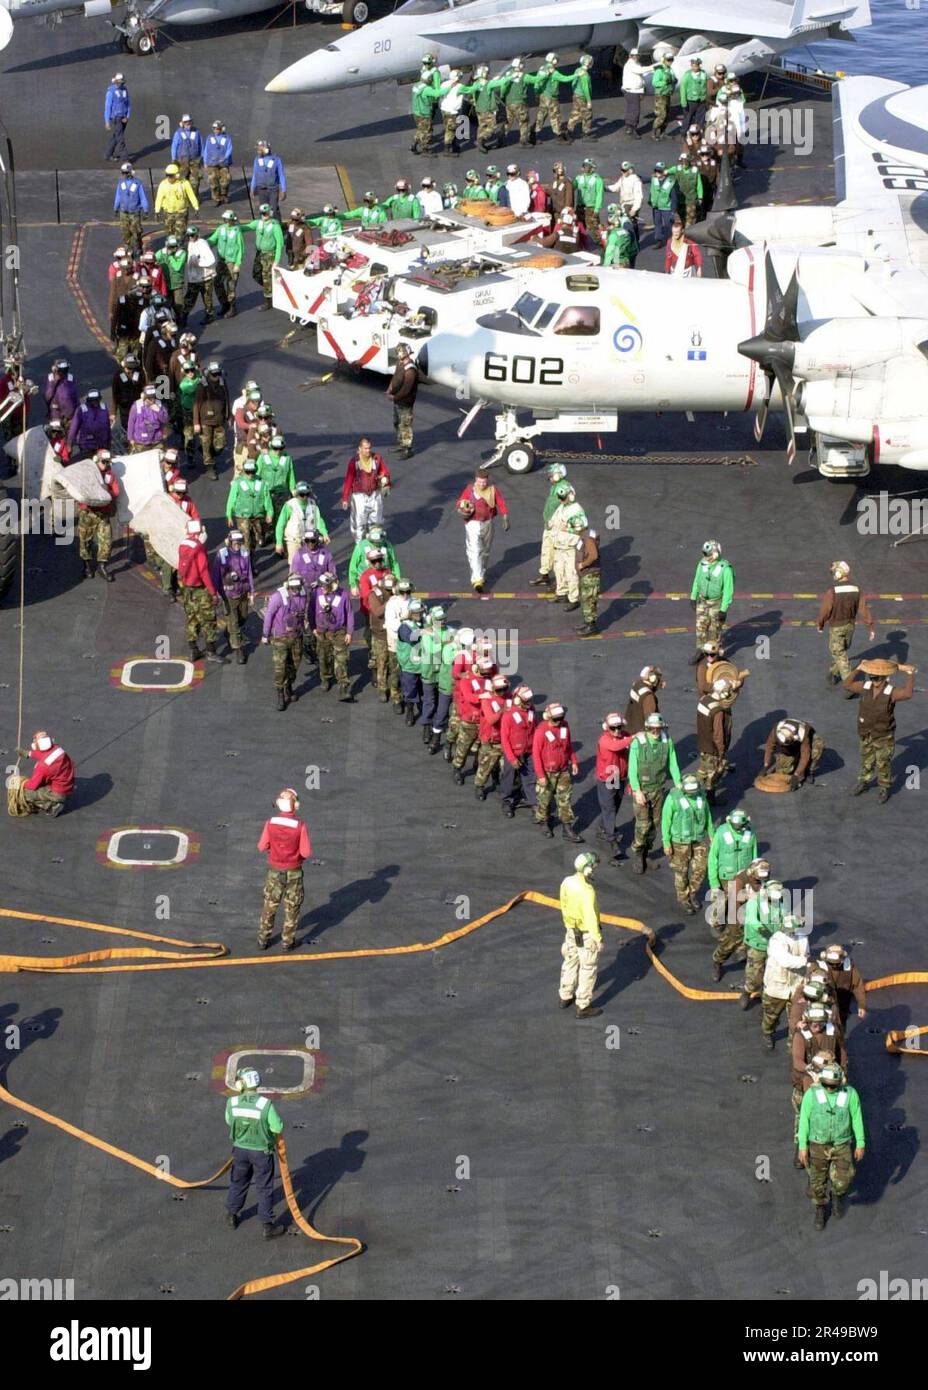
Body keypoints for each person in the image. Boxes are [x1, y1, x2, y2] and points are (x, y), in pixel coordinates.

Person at [797, 1062, 865, 1230]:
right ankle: (820, 1207)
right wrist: (802, 1147)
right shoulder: (811, 1095)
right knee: (817, 1181)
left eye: (832, 1086)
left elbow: (857, 1118)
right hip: (818, 1144)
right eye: (826, 1085)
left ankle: (837, 1195)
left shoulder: (850, 1094)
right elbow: (804, 1120)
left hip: (841, 1144)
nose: (829, 1089)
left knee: (844, 1178)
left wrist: (860, 1143)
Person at [224, 1065, 285, 1237]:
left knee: (238, 1182)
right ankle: (267, 1225)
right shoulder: (265, 1104)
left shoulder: (232, 1102)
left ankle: (232, 1214)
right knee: (264, 1188)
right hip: (261, 1154)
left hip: (240, 1151)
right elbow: (277, 1126)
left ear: (241, 1084)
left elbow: (229, 1121)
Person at [844, 660, 916, 802]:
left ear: (884, 678)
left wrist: (910, 674)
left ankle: (884, 788)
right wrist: (858, 668)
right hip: (866, 732)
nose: (874, 680)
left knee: (883, 762)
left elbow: (907, 694)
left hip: (883, 735)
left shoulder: (891, 692)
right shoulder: (865, 686)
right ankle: (863, 782)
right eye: (872, 677)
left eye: (877, 678)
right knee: (866, 759)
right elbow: (847, 684)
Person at [257, 787, 310, 952]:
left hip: (274, 872)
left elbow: (261, 846)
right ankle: (287, 942)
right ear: (295, 805)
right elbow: (306, 852)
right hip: (294, 873)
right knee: (292, 908)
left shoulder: (270, 823)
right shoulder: (300, 826)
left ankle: (263, 940)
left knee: (270, 906)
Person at [628, 712, 681, 873]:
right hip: (643, 790)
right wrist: (637, 791)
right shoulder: (639, 742)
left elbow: (673, 763)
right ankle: (638, 853)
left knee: (655, 824)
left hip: (658, 789)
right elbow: (632, 768)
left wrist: (678, 782)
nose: (655, 732)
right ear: (647, 728)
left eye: (658, 729)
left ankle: (646, 853)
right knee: (643, 825)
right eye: (652, 729)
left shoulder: (667, 741)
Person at [558, 852, 604, 1018]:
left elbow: (563, 904)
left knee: (570, 962)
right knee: (588, 968)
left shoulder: (566, 882)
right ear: (586, 869)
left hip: (571, 931)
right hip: (586, 935)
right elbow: (591, 917)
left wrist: (569, 925)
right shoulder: (587, 891)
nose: (594, 871)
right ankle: (583, 1005)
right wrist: (598, 939)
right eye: (593, 868)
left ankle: (565, 995)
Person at [817, 561, 875, 689]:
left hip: (837, 627)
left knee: (838, 653)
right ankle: (833, 673)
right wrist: (870, 628)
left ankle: (850, 686)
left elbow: (825, 610)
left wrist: (820, 624)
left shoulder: (833, 591)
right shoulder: (857, 589)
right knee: (841, 651)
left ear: (839, 573)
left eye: (834, 572)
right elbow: (864, 609)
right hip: (850, 626)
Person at [177, 518, 226, 664]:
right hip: (200, 588)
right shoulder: (199, 547)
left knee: (192, 618)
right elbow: (204, 571)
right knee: (209, 619)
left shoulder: (182, 545)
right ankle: (210, 650)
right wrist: (212, 592)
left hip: (187, 588)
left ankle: (193, 649)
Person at [661, 772, 712, 911]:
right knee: (681, 872)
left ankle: (692, 892)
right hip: (679, 842)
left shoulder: (701, 796)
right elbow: (666, 821)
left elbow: (707, 816)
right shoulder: (673, 798)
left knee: (701, 869)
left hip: (698, 839)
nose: (692, 794)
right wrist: (666, 843)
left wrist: (711, 835)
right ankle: (683, 898)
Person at [532, 701, 582, 843]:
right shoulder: (541, 731)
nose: (559, 722)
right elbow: (536, 754)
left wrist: (574, 761)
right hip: (547, 772)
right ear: (548, 717)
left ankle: (567, 828)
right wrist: (541, 775)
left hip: (563, 771)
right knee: (545, 800)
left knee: (565, 800)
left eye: (561, 718)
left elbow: (568, 746)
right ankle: (544, 822)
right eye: (556, 719)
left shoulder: (564, 726)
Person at [761, 913, 811, 1051]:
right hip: (777, 986)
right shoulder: (776, 940)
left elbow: (806, 953)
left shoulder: (802, 937)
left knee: (796, 1017)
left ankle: (793, 1043)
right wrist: (805, 962)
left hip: (796, 985)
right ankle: (768, 1032)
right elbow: (785, 960)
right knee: (771, 1015)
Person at [457, 467, 509, 593]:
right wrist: (463, 507)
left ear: (487, 480)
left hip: (488, 523)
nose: (482, 484)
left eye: (484, 482)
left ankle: (482, 573)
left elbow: (501, 502)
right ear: (476, 480)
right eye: (480, 481)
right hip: (473, 524)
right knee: (474, 551)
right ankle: (477, 580)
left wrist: (505, 516)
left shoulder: (492, 490)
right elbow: (459, 503)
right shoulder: (469, 490)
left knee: (485, 551)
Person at [707, 807, 756, 939]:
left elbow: (754, 859)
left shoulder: (750, 834)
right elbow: (712, 859)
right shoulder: (721, 833)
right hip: (725, 877)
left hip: (743, 878)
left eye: (741, 826)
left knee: (740, 905)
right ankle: (717, 924)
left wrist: (753, 881)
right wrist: (714, 884)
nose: (738, 829)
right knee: (721, 902)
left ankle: (738, 930)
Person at [263, 573, 309, 710]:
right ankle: (280, 694)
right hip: (280, 637)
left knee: (295, 664)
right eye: (293, 588)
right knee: (280, 667)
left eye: (298, 587)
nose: (296, 590)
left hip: (296, 635)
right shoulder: (278, 597)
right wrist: (265, 634)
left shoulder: (303, 593)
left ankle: (289, 685)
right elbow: (269, 615)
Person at [740, 878, 787, 1010]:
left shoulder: (781, 904)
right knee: (754, 972)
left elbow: (785, 918)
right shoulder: (754, 902)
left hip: (775, 946)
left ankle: (767, 995)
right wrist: (761, 929)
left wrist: (792, 923)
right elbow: (752, 919)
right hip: (758, 944)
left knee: (773, 973)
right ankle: (747, 991)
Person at [212, 530, 255, 665]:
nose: (238, 545)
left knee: (243, 617)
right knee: (234, 622)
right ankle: (238, 649)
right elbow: (216, 576)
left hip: (242, 593)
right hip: (228, 595)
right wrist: (215, 593)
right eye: (235, 543)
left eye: (240, 543)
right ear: (230, 542)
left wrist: (252, 592)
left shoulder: (245, 553)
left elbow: (249, 573)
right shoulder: (222, 555)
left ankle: (229, 631)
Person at [76, 450, 119, 582]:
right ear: (96, 460)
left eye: (107, 462)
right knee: (85, 540)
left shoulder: (110, 475)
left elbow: (116, 491)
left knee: (106, 540)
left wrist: (106, 492)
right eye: (103, 462)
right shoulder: (88, 473)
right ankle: (87, 565)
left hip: (102, 513)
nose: (105, 465)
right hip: (87, 512)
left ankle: (102, 566)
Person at [311, 571, 355, 701]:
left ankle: (343, 686)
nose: (323, 588)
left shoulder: (343, 595)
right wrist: (313, 627)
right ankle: (325, 678)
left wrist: (349, 632)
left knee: (341, 660)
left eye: (325, 586)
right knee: (323, 657)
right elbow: (311, 610)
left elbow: (350, 613)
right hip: (322, 631)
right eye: (322, 585)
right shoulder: (316, 593)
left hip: (339, 632)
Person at [596, 712, 633, 864]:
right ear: (607, 728)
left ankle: (604, 826)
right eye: (613, 728)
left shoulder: (624, 736)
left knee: (615, 805)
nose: (617, 731)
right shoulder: (605, 740)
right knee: (610, 808)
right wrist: (633, 737)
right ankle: (612, 842)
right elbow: (617, 746)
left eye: (619, 727)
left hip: (620, 775)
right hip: (609, 776)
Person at [341, 437, 392, 542]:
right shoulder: (354, 462)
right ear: (359, 449)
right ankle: (360, 546)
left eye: (369, 448)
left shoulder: (377, 458)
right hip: (359, 496)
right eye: (365, 448)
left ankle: (376, 542)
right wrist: (345, 498)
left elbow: (385, 471)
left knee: (377, 522)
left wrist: (386, 480)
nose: (368, 451)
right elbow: (348, 480)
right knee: (359, 523)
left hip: (374, 494)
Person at [690, 539, 734, 651]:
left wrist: (723, 609)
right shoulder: (702, 563)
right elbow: (697, 580)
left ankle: (714, 656)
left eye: (707, 554)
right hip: (702, 601)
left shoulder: (725, 568)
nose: (705, 556)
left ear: (715, 554)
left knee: (714, 632)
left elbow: (728, 590)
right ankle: (700, 651)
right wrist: (693, 597)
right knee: (700, 629)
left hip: (716, 604)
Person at [226, 459, 273, 565]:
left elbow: (267, 499)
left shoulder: (262, 483)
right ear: (244, 471)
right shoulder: (238, 483)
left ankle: (250, 557)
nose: (250, 474)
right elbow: (231, 499)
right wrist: (229, 514)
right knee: (245, 540)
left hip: (258, 515)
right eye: (248, 472)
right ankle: (247, 565)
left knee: (255, 540)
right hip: (243, 516)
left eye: (252, 472)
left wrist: (269, 513)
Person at [499, 685, 537, 817]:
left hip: (529, 751)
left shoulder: (531, 710)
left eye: (530, 701)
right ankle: (506, 800)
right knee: (509, 777)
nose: (529, 704)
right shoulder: (508, 716)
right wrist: (511, 758)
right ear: (517, 700)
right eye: (526, 701)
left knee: (530, 777)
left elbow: (534, 729)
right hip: (514, 753)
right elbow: (504, 739)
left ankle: (533, 802)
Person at [696, 676, 735, 801]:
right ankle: (709, 799)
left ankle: (693, 786)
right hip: (713, 749)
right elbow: (719, 734)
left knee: (703, 769)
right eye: (728, 690)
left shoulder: (704, 700)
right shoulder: (718, 711)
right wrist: (721, 752)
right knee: (713, 774)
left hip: (703, 743)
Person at [18, 731, 75, 817]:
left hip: (58, 792)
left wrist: (21, 783)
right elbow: (45, 753)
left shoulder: (42, 766)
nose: (33, 742)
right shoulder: (57, 748)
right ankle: (57, 798)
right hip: (68, 783)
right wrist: (29, 754)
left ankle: (52, 805)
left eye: (35, 741)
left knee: (26, 793)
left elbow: (32, 785)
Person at [474, 674, 511, 800]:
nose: (502, 692)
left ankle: (498, 781)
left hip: (504, 740)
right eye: (499, 690)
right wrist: (502, 711)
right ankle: (479, 786)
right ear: (493, 689)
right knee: (485, 765)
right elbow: (490, 720)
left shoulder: (509, 698)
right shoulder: (487, 700)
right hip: (490, 740)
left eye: (504, 689)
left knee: (505, 767)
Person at [761, 717, 824, 789]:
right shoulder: (776, 730)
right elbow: (769, 747)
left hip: (808, 741)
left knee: (818, 745)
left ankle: (809, 771)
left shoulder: (803, 733)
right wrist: (765, 765)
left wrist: (796, 775)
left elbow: (805, 755)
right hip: (791, 746)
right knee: (783, 771)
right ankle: (795, 757)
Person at [193, 359, 230, 480]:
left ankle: (207, 452)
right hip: (206, 421)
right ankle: (209, 467)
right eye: (214, 374)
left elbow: (227, 398)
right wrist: (196, 422)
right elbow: (196, 405)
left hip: (219, 419)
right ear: (209, 373)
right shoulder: (202, 385)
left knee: (221, 444)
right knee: (206, 443)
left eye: (217, 373)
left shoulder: (222, 382)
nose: (216, 376)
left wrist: (228, 416)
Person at [244, 205, 285, 311]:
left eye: (266, 213)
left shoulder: (275, 226)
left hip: (269, 255)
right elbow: (246, 227)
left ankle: (268, 301)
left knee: (266, 277)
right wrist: (232, 225)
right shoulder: (258, 223)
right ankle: (272, 289)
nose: (264, 215)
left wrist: (276, 260)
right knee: (256, 274)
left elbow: (279, 244)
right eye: (262, 213)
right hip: (260, 253)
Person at [817, 944, 868, 1029]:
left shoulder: (849, 966)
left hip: (843, 1004)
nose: (834, 966)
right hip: (826, 1004)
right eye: (831, 964)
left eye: (837, 964)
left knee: (841, 1028)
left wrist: (862, 1005)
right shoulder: (819, 967)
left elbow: (857, 986)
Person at [277, 482, 329, 564]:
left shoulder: (313, 504)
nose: (304, 497)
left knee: (309, 564)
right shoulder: (289, 505)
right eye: (302, 495)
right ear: (297, 494)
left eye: (307, 494)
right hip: (294, 541)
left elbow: (319, 521)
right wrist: (279, 543)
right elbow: (280, 524)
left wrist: (325, 533)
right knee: (295, 565)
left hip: (309, 541)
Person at [208, 211, 244, 318]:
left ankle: (232, 308)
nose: (226, 221)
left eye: (228, 219)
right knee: (217, 283)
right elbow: (213, 239)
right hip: (221, 261)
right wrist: (203, 243)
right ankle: (224, 304)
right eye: (225, 219)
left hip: (232, 263)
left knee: (231, 286)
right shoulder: (221, 229)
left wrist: (238, 264)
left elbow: (241, 249)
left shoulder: (237, 231)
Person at [532, 53, 572, 143]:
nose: (557, 61)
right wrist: (576, 75)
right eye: (556, 60)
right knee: (555, 116)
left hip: (543, 96)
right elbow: (565, 79)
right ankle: (558, 136)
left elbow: (537, 83)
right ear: (553, 60)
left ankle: (533, 133)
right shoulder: (554, 72)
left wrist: (536, 94)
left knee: (541, 115)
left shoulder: (542, 69)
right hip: (551, 98)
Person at [387, 344, 418, 459]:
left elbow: (406, 390)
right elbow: (395, 377)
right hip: (397, 401)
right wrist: (390, 388)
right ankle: (401, 443)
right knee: (397, 423)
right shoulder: (400, 364)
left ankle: (407, 449)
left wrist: (393, 398)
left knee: (405, 425)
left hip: (405, 403)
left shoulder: (410, 370)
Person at [155, 164, 199, 242]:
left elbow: (191, 195)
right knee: (170, 233)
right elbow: (159, 198)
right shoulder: (163, 184)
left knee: (180, 233)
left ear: (177, 175)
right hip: (168, 213)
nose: (170, 178)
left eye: (172, 176)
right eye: (169, 176)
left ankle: (180, 248)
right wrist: (157, 211)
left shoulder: (184, 183)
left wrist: (196, 207)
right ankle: (172, 248)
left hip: (181, 213)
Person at [113, 164, 148, 258]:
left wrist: (145, 209)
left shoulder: (137, 183)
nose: (124, 175)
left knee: (136, 232)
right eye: (123, 173)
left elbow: (142, 197)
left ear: (130, 172)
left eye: (125, 173)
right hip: (124, 213)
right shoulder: (121, 183)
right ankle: (128, 250)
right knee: (125, 233)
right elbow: (118, 196)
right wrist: (116, 208)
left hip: (134, 213)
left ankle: (138, 248)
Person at [498, 57, 533, 147]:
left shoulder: (508, 75)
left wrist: (502, 96)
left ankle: (501, 138)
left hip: (509, 103)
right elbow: (535, 80)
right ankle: (524, 141)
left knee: (508, 121)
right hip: (520, 102)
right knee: (524, 122)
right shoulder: (524, 76)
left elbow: (503, 87)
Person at [575, 520, 601, 636]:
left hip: (590, 574)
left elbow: (593, 555)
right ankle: (588, 622)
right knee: (586, 599)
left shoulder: (587, 537)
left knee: (589, 599)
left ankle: (591, 626)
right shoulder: (587, 534)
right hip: (587, 574)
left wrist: (583, 564)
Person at [68, 390, 111, 460]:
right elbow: (74, 428)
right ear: (88, 400)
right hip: (86, 446)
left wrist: (109, 443)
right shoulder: (81, 409)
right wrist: (69, 443)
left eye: (96, 400)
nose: (95, 402)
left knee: (103, 466)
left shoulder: (104, 408)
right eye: (92, 400)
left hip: (102, 445)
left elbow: (108, 427)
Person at [411, 58, 441, 155]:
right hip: (428, 102)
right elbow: (437, 89)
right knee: (427, 127)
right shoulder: (435, 72)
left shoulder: (422, 74)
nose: (426, 65)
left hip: (417, 109)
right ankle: (425, 148)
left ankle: (415, 144)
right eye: (426, 63)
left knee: (421, 127)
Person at [127, 384, 169, 452]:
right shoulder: (136, 407)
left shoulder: (159, 405)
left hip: (156, 441)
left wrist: (159, 411)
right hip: (141, 443)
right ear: (144, 398)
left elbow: (165, 420)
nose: (152, 400)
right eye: (149, 398)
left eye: (153, 397)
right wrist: (130, 438)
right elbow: (131, 423)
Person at [621, 48, 652, 138]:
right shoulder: (631, 64)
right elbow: (641, 71)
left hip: (634, 90)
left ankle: (629, 126)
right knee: (635, 110)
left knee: (631, 108)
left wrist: (642, 89)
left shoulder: (636, 63)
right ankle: (633, 128)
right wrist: (654, 66)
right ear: (631, 56)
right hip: (632, 90)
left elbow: (640, 77)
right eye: (634, 55)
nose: (636, 57)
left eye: (637, 55)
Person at [624, 664, 664, 735]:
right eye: (658, 678)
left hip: (630, 728)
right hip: (641, 734)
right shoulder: (648, 697)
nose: (660, 681)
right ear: (653, 678)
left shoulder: (637, 684)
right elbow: (651, 719)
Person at [666, 154, 703, 228]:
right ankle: (683, 232)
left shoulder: (695, 171)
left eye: (685, 162)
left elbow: (699, 185)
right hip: (680, 199)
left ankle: (689, 233)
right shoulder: (676, 169)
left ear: (689, 162)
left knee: (690, 218)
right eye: (682, 162)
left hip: (691, 198)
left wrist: (700, 197)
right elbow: (665, 172)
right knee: (682, 217)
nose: (684, 164)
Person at [251, 140, 286, 217]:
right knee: (263, 209)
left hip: (273, 189)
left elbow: (281, 175)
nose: (258, 151)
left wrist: (283, 190)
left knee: (273, 209)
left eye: (260, 149)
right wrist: (252, 188)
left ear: (266, 149)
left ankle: (277, 225)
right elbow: (255, 174)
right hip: (261, 189)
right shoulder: (257, 159)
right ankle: (264, 226)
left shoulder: (277, 160)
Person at [566, 53, 596, 139]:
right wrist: (589, 101)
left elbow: (573, 83)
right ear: (590, 63)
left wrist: (575, 92)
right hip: (583, 97)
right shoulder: (585, 75)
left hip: (576, 95)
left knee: (575, 113)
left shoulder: (577, 70)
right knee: (587, 115)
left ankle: (569, 131)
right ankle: (586, 134)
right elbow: (586, 89)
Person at [204, 120, 233, 205]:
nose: (216, 130)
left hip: (223, 163)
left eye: (218, 129)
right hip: (212, 163)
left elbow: (229, 149)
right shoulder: (209, 137)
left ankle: (224, 195)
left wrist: (225, 158)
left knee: (226, 179)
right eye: (214, 129)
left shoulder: (227, 138)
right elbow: (206, 150)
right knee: (213, 179)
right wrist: (205, 162)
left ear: (222, 129)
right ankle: (216, 198)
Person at [44, 360, 79, 431]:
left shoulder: (71, 378)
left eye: (65, 370)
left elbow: (75, 396)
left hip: (70, 412)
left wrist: (77, 412)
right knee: (56, 434)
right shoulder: (50, 378)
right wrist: (55, 381)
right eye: (61, 371)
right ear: (55, 370)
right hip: (55, 412)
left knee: (71, 433)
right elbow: (47, 396)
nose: (63, 373)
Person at [111, 353, 143, 431]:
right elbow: (115, 395)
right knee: (127, 426)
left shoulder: (140, 371)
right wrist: (113, 413)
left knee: (138, 424)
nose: (131, 371)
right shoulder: (118, 375)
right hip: (125, 406)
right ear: (124, 365)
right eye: (129, 368)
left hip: (137, 403)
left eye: (133, 368)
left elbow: (144, 386)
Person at [648, 162, 677, 247]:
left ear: (664, 171)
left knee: (669, 224)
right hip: (656, 206)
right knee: (657, 224)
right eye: (656, 171)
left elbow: (674, 197)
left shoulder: (670, 181)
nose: (657, 173)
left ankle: (673, 240)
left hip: (666, 208)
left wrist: (673, 210)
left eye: (659, 171)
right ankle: (659, 240)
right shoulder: (654, 179)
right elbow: (650, 188)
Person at [104, 73, 131, 162]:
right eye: (119, 82)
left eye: (122, 82)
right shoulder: (111, 92)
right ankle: (125, 158)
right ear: (116, 82)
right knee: (120, 138)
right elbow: (107, 107)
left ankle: (108, 154)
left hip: (124, 117)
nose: (121, 84)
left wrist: (127, 116)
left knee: (116, 136)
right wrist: (107, 121)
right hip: (116, 117)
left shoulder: (125, 90)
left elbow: (128, 103)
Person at [602, 204, 638, 269]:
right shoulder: (619, 221)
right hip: (626, 254)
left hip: (630, 251)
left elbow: (628, 239)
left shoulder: (625, 223)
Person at [678, 56, 708, 133]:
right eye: (693, 65)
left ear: (699, 65)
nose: (695, 67)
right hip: (690, 101)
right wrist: (683, 101)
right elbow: (683, 88)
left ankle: (699, 132)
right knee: (688, 118)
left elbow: (707, 84)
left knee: (701, 118)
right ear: (691, 66)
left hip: (701, 100)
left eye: (697, 65)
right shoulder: (687, 75)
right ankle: (684, 133)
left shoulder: (703, 73)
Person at [651, 54, 677, 140]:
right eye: (669, 60)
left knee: (667, 115)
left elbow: (673, 79)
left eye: (672, 59)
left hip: (667, 94)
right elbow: (654, 83)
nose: (671, 61)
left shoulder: (670, 69)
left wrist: (674, 80)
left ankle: (663, 133)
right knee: (662, 114)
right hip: (661, 95)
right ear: (664, 60)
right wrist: (664, 82)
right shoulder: (659, 70)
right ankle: (654, 133)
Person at [574, 157, 604, 232]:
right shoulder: (578, 178)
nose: (585, 168)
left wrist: (596, 209)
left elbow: (599, 195)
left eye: (588, 166)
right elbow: (572, 187)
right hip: (579, 208)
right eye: (584, 165)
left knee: (594, 230)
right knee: (579, 229)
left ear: (592, 168)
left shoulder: (597, 179)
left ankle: (597, 243)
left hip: (591, 209)